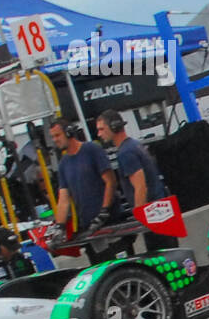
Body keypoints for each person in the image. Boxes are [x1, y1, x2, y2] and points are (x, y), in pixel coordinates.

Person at [96, 109, 178, 251]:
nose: (99, 134)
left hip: (154, 214)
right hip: (160, 210)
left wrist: (139, 215)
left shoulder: (126, 152)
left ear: (114, 127)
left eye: (102, 129)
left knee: (161, 257)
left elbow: (140, 186)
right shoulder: (134, 145)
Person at [48, 119, 118, 261]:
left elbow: (110, 181)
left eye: (57, 135)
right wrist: (59, 227)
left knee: (118, 266)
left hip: (111, 222)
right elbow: (64, 199)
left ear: (69, 133)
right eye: (53, 137)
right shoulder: (63, 164)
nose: (55, 140)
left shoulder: (92, 150)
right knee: (99, 268)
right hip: (89, 227)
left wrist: (104, 211)